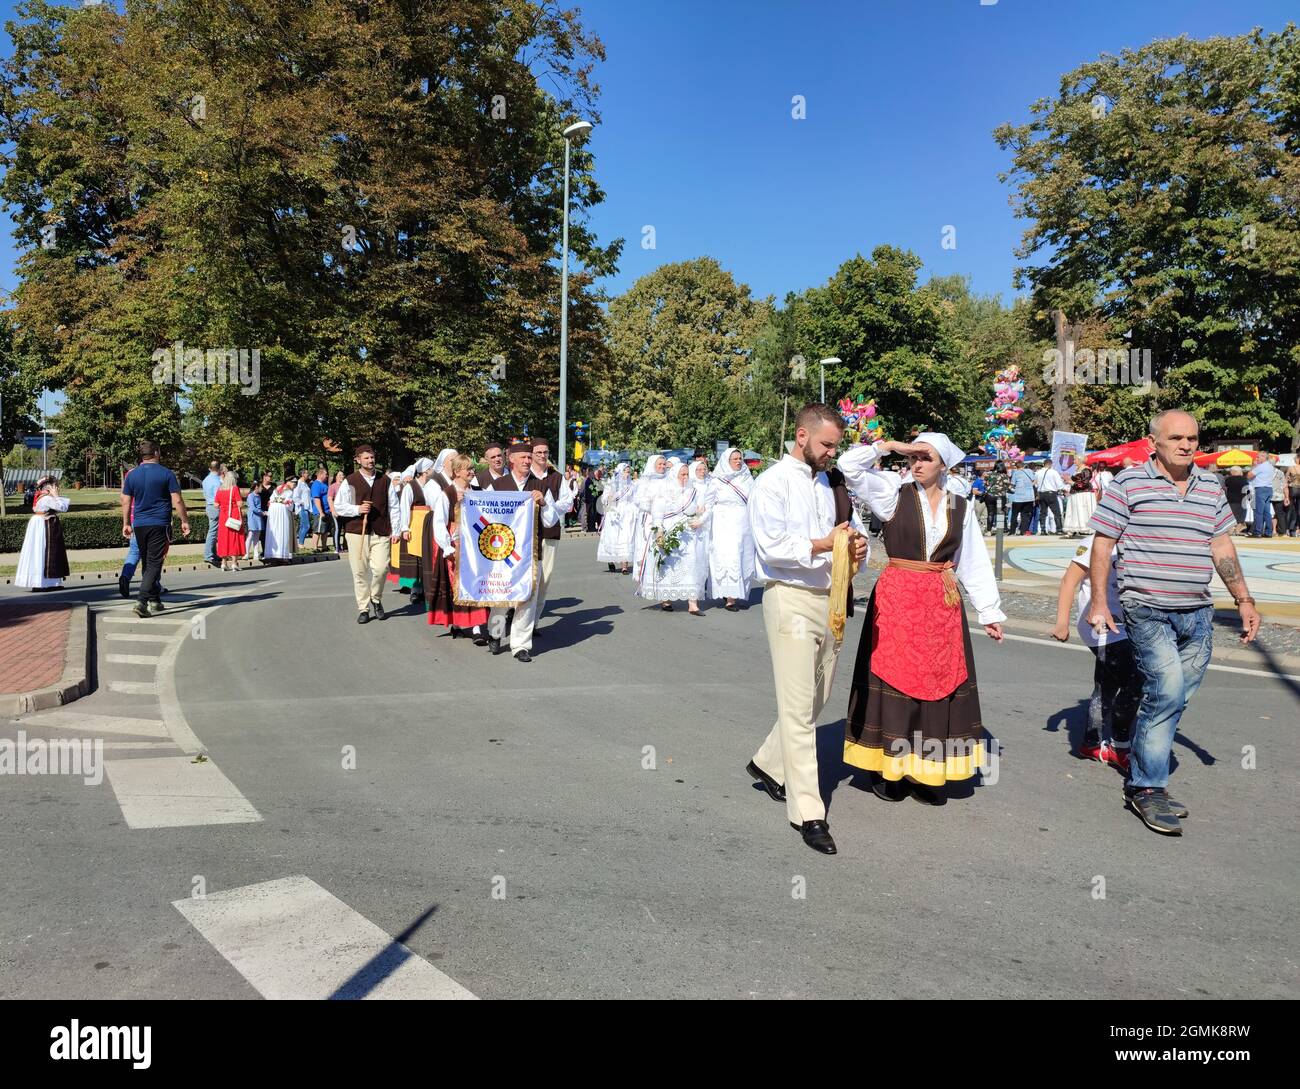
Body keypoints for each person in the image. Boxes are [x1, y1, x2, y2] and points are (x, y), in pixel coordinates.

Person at [1087, 410, 1260, 836]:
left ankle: (1145, 762)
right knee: (1164, 692)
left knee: (1174, 698)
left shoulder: (1210, 487)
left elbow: (1220, 544)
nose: (1186, 445)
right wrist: (1098, 602)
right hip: (1147, 608)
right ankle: (1147, 788)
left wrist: (1243, 598)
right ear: (1154, 443)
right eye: (1176, 438)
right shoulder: (1128, 484)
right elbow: (1103, 543)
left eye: (1192, 438)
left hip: (1197, 613)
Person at [838, 433, 1005, 806]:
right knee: (894, 682)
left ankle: (927, 772)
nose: (917, 463)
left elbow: (973, 561)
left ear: (944, 464)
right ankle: (889, 770)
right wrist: (889, 447)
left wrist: (989, 612)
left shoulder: (960, 507)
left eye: (925, 457)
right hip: (897, 600)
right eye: (913, 457)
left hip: (940, 601)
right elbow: (849, 467)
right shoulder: (891, 493)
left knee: (938, 685)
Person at [746, 404, 868, 855]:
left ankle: (767, 763)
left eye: (836, 446)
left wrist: (856, 545)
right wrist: (823, 543)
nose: (832, 453)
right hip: (791, 597)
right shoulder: (771, 483)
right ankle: (808, 812)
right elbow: (770, 547)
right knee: (799, 710)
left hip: (833, 596)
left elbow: (855, 534)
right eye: (826, 445)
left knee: (817, 697)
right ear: (801, 436)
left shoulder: (833, 484)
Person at [1051, 534, 1137, 771]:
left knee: (1107, 683)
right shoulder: (1094, 542)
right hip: (1098, 623)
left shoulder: (1139, 534)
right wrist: (1062, 622)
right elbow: (1069, 581)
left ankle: (1091, 742)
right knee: (1135, 681)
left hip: (1129, 623)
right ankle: (1120, 746)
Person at [487, 441, 561, 662]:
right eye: (524, 457)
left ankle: (520, 645)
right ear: (511, 459)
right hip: (502, 553)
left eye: (530, 458)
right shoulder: (498, 485)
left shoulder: (540, 486)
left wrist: (545, 505)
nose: (528, 461)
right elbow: (483, 511)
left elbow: (550, 521)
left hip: (530, 553)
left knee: (527, 599)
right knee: (500, 598)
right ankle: (496, 633)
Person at [120, 440, 190, 618]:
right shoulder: (166, 473)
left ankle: (155, 600)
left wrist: (126, 523)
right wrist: (184, 520)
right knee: (155, 563)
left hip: (140, 525)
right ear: (157, 452)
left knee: (147, 562)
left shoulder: (131, 475)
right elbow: (177, 500)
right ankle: (142, 601)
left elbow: (125, 501)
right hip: (159, 524)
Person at [425, 453, 490, 638]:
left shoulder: (479, 491)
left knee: (476, 583)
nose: (472, 471)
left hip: (477, 544)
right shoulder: (448, 494)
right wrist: (447, 547)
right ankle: (458, 623)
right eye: (468, 469)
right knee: (458, 585)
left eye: (472, 468)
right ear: (457, 472)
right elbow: (439, 522)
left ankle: (477, 626)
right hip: (458, 544)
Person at [331, 444, 393, 624]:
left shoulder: (384, 480)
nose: (370, 460)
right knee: (359, 572)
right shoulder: (350, 481)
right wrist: (358, 508)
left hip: (381, 530)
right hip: (357, 531)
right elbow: (340, 506)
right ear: (358, 460)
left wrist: (396, 529)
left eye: (372, 457)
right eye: (366, 458)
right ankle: (364, 608)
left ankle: (376, 597)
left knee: (381, 569)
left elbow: (394, 506)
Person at [636, 460, 708, 614]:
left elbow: (698, 511)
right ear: (675, 475)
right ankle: (666, 598)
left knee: (692, 564)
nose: (685, 477)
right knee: (668, 564)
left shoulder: (693, 491)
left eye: (687, 474)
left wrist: (700, 517)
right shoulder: (665, 491)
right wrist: (659, 531)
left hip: (688, 535)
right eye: (682, 474)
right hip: (669, 531)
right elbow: (657, 513)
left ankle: (693, 604)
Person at [529, 439, 574, 620]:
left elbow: (568, 501)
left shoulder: (556, 477)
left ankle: (534, 621)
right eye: (538, 452)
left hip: (549, 532)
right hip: (526, 534)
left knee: (544, 579)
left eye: (545, 452)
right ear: (531, 454)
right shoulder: (524, 476)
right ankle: (518, 613)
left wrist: (550, 507)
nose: (542, 455)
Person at [708, 447, 756, 611]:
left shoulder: (747, 478)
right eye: (734, 459)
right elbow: (707, 502)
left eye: (739, 458)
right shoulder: (717, 480)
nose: (738, 461)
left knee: (744, 556)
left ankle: (735, 592)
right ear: (726, 461)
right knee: (730, 557)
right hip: (724, 522)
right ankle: (730, 598)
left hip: (744, 522)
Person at [15, 475, 70, 590]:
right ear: (48, 487)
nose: (57, 488)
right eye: (55, 486)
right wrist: (56, 496)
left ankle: (48, 583)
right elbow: (62, 507)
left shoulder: (42, 496)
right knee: (45, 552)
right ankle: (42, 583)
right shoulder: (46, 498)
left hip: (41, 524)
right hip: (43, 525)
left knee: (43, 552)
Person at [391, 461, 431, 604]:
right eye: (431, 469)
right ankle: (415, 590)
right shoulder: (411, 487)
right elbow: (405, 507)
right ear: (425, 471)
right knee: (416, 559)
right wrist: (405, 528)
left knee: (428, 558)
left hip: (429, 525)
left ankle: (427, 590)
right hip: (415, 525)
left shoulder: (432, 486)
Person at [596, 462, 634, 574]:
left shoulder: (631, 484)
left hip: (627, 515)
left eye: (628, 472)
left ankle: (624, 566)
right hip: (614, 514)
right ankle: (611, 560)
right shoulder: (611, 484)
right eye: (626, 471)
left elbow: (633, 500)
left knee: (625, 538)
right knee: (613, 538)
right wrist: (610, 498)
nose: (627, 474)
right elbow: (603, 499)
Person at [214, 470, 246, 571]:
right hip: (234, 515)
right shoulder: (235, 489)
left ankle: (223, 563)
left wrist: (224, 505)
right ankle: (234, 563)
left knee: (224, 539)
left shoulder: (220, 489)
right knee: (234, 538)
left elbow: (216, 504)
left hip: (223, 517)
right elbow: (240, 503)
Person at [264, 477, 296, 562]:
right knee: (283, 531)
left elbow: (271, 501)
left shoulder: (277, 488)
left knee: (274, 531)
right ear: (288, 482)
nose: (294, 485)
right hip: (282, 511)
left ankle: (272, 553)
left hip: (273, 510)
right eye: (293, 483)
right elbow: (289, 504)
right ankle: (283, 555)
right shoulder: (289, 491)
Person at [1245, 453, 1276, 537]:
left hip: (1260, 489)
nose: (1257, 458)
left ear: (1263, 457)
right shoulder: (1270, 466)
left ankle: (1257, 532)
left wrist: (1253, 468)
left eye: (1258, 457)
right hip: (1269, 489)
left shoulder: (1261, 466)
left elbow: (1249, 475)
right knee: (1267, 512)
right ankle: (1268, 532)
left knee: (1259, 512)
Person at [1063, 466, 1097, 537]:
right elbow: (1075, 481)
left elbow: (1085, 484)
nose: (1074, 461)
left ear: (1080, 460)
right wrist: (1067, 479)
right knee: (1073, 511)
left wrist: (1071, 482)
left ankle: (1087, 529)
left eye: (1075, 459)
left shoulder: (1086, 470)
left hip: (1083, 494)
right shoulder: (1076, 470)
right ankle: (1072, 530)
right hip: (1075, 493)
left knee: (1083, 511)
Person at [202, 460, 222, 568]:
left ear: (210, 468)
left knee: (213, 530)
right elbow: (219, 497)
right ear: (219, 469)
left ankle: (213, 553)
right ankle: (209, 555)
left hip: (209, 505)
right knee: (213, 531)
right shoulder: (218, 481)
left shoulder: (205, 480)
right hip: (216, 506)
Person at [1036, 460, 1065, 535]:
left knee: (1043, 512)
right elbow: (1060, 485)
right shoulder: (1053, 472)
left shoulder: (1038, 472)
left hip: (1041, 493)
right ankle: (1059, 530)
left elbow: (1036, 484)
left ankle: (1043, 530)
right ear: (1051, 464)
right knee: (1057, 512)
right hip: (1051, 493)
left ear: (1044, 464)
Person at [1009, 459, 1036, 535]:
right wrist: (1030, 486)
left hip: (1018, 497)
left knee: (1014, 514)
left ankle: (1012, 531)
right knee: (1026, 515)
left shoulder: (1015, 473)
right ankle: (1023, 531)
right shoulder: (1030, 471)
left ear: (1016, 467)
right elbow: (1034, 481)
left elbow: (1013, 484)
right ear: (1023, 465)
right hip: (1029, 497)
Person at [983, 461, 1010, 533]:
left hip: (990, 496)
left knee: (990, 513)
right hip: (1001, 496)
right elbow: (1009, 487)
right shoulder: (1005, 476)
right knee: (1001, 512)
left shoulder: (989, 474)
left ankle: (989, 530)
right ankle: (1003, 529)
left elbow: (985, 485)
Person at [243, 476, 266, 563]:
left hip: (258, 517)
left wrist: (263, 512)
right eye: (261, 487)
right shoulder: (250, 496)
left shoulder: (258, 496)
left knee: (257, 536)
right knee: (251, 534)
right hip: (253, 517)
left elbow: (259, 507)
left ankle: (256, 553)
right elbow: (253, 508)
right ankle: (246, 553)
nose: (261, 489)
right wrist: (262, 512)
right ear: (256, 487)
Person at [1222, 466, 1249, 533]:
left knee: (1231, 516)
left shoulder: (1228, 479)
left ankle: (1231, 530)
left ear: (1233, 472)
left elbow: (1225, 487)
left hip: (1231, 500)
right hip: (1242, 500)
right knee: (1240, 516)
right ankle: (1238, 530)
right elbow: (1248, 489)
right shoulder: (1244, 479)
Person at [311, 468, 332, 552]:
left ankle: (324, 546)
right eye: (325, 474)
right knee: (318, 530)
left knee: (325, 530)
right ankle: (314, 548)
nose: (327, 476)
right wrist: (321, 512)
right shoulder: (316, 485)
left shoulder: (324, 484)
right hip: (320, 512)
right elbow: (316, 499)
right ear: (320, 475)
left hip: (327, 511)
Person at [327, 470, 345, 551]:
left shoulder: (346, 486)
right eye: (340, 475)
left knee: (347, 530)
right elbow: (330, 499)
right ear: (336, 477)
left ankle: (346, 546)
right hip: (336, 511)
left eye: (343, 475)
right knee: (337, 528)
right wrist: (333, 510)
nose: (342, 476)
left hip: (345, 511)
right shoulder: (333, 486)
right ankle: (337, 547)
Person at [1286, 460, 1300, 537]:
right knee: (1299, 511)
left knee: (1289, 510)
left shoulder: (1291, 468)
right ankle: (1297, 528)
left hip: (1292, 489)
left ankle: (1287, 529)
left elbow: (1286, 479)